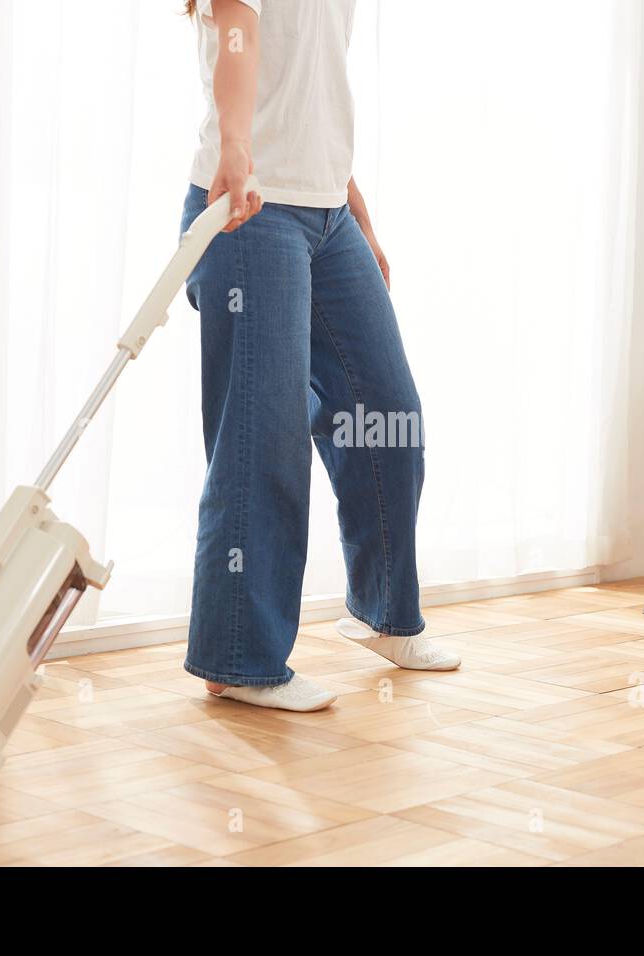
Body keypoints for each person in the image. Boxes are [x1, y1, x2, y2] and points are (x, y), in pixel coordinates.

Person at [179, 0, 460, 712]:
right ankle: (238, 657)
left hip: (326, 210)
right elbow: (238, 44)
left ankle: (383, 612)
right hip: (250, 209)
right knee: (261, 439)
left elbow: (309, 94)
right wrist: (235, 147)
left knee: (387, 416)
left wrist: (352, 201)